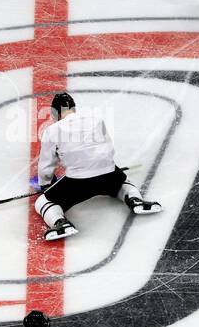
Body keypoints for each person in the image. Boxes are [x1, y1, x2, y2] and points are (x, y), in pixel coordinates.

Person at [33, 92, 161, 241]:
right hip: (108, 174)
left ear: (55, 113)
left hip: (78, 182)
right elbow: (109, 150)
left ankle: (60, 223)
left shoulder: (52, 131)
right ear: (73, 108)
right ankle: (134, 199)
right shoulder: (96, 120)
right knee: (122, 183)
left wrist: (45, 185)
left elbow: (46, 165)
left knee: (42, 202)